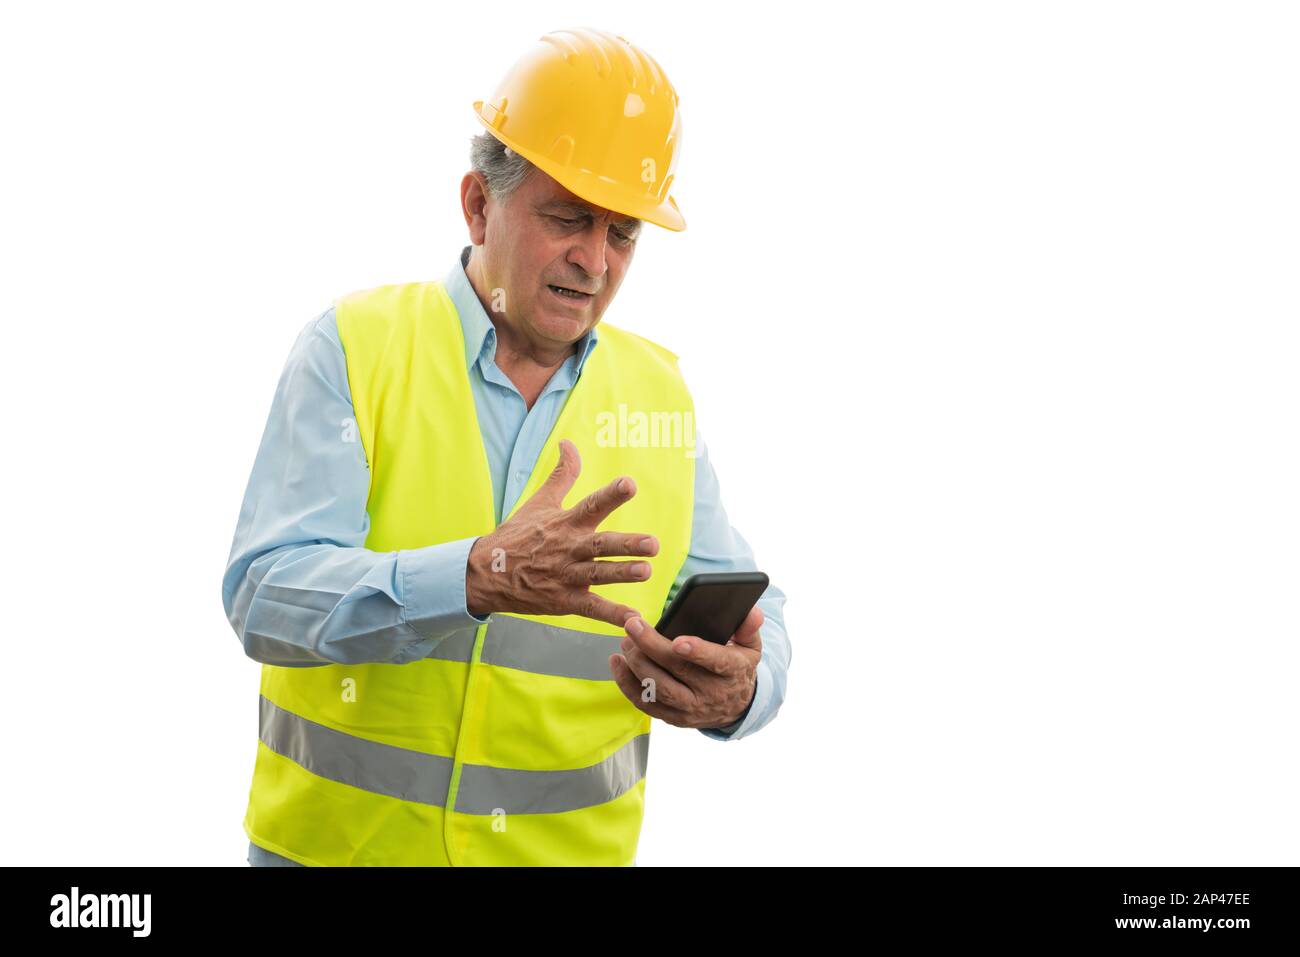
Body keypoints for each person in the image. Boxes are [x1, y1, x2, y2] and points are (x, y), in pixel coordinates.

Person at [224, 27, 790, 867]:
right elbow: (263, 594)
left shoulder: (659, 396)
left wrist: (746, 688)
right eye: (567, 218)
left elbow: (754, 610)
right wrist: (474, 575)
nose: (594, 261)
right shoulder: (353, 348)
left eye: (623, 232)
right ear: (479, 205)